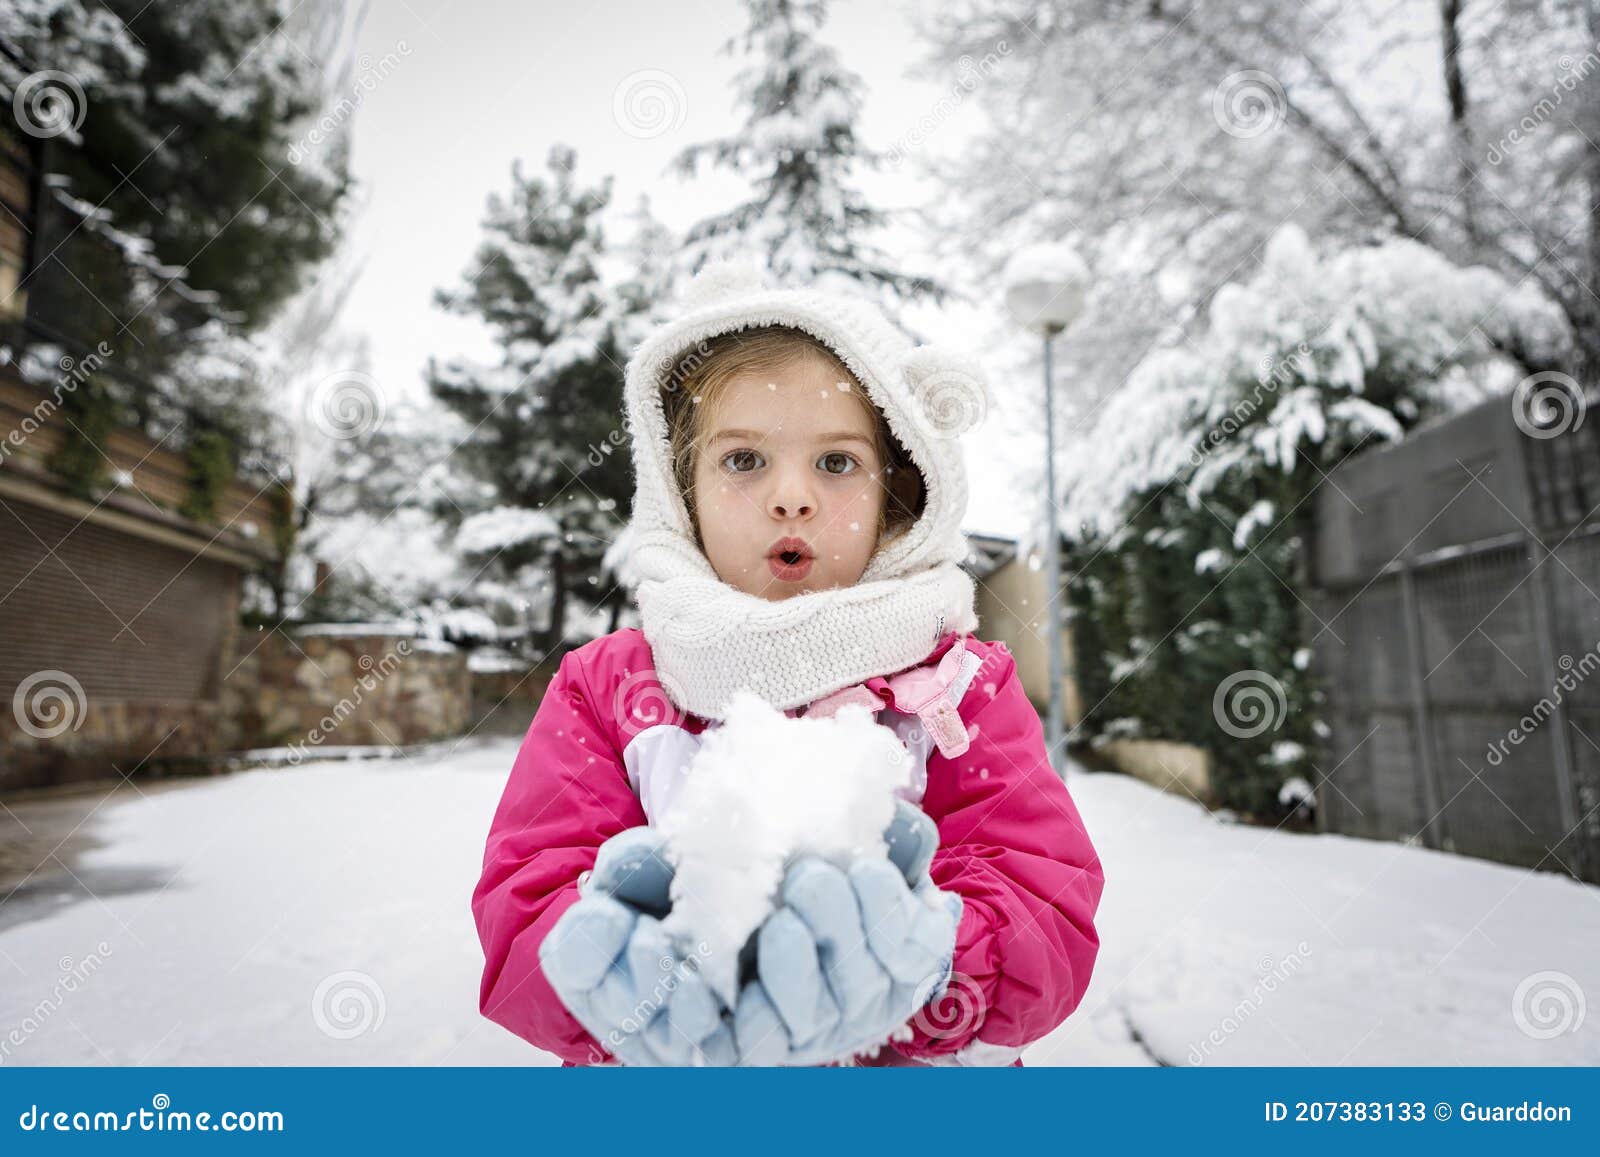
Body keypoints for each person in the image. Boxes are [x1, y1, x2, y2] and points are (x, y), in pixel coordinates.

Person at [470, 262, 1104, 1066]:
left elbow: (1045, 903)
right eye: (743, 461)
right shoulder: (608, 687)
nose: (791, 497)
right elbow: (527, 899)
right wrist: (618, 978)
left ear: (897, 493)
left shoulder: (959, 688)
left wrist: (927, 964)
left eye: (836, 462)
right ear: (680, 490)